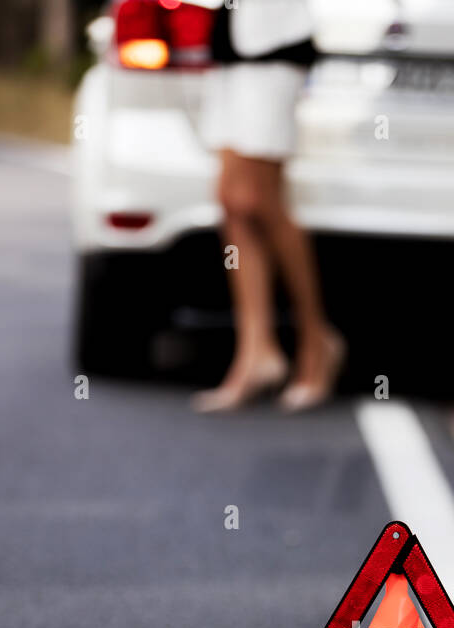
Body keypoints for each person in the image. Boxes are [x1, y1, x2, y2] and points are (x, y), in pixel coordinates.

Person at [193, 0, 344, 413]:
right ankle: (256, 350)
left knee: (260, 198)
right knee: (230, 200)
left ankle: (317, 343)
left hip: (272, 43)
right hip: (231, 44)